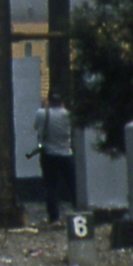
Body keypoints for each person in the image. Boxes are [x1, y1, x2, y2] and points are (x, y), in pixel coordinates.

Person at [33, 91, 76, 227]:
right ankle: (78, 213)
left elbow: (36, 127)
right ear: (62, 102)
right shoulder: (68, 115)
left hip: (49, 154)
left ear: (48, 100)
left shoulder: (41, 113)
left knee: (50, 187)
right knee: (73, 186)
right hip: (66, 153)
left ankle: (54, 218)